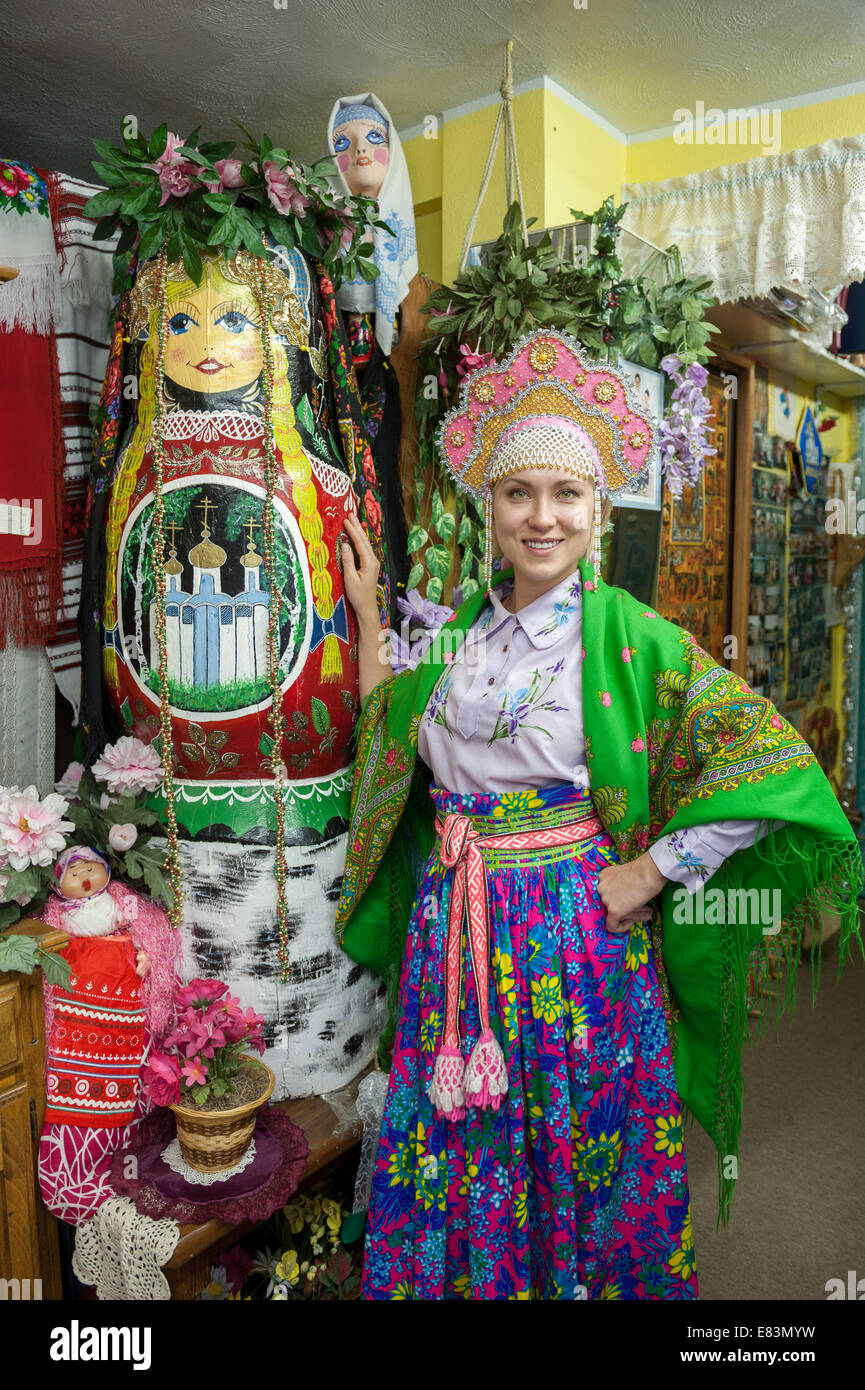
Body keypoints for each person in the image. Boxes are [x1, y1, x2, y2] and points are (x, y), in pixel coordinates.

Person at [335, 329, 862, 1300]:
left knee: (579, 1154)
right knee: (465, 1153)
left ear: (597, 506)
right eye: (518, 492)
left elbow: (767, 758)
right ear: (486, 505)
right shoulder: (454, 635)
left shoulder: (628, 638)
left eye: (565, 494)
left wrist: (652, 868)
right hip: (454, 944)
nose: (542, 516)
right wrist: (371, 613)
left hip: (572, 946)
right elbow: (384, 729)